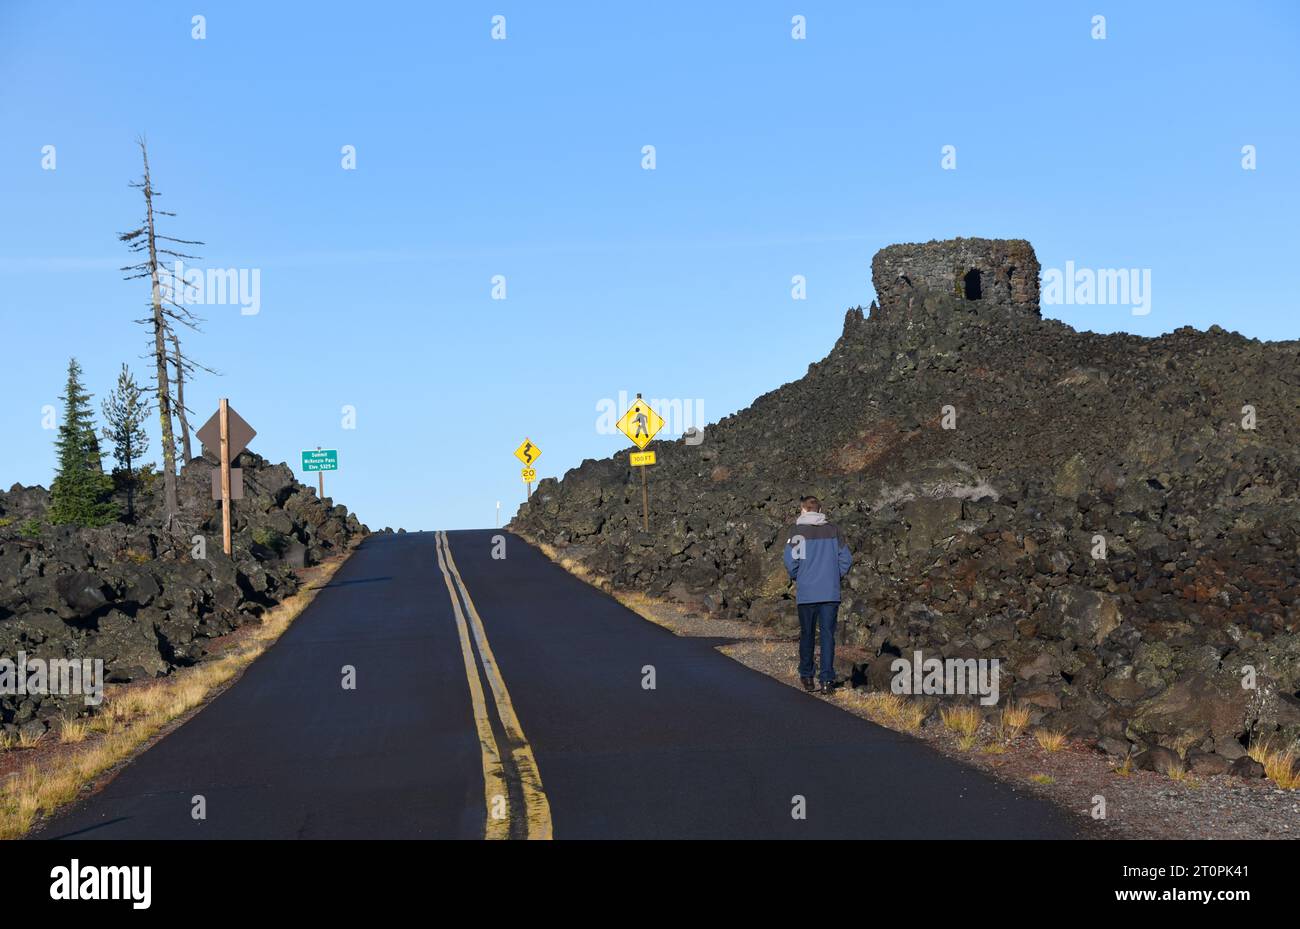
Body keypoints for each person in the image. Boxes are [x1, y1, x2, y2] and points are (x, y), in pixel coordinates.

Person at [782, 496, 852, 694]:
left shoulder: (798, 532)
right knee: (828, 636)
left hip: (807, 592)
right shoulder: (833, 530)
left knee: (807, 634)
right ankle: (827, 680)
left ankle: (807, 676)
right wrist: (833, 576)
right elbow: (846, 559)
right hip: (830, 592)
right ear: (820, 509)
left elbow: (790, 561)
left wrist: (800, 576)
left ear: (804, 510)